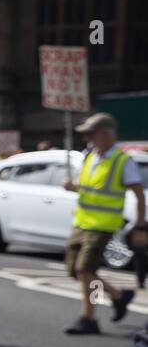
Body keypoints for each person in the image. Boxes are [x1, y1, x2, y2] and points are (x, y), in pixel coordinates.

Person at [62, 112, 146, 335]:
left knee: (85, 269)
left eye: (92, 133)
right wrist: (74, 186)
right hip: (81, 222)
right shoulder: (90, 156)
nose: (88, 138)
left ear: (106, 134)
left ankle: (88, 318)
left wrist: (140, 227)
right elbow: (90, 187)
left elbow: (139, 195)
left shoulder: (122, 161)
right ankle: (118, 295)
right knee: (75, 271)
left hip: (103, 225)